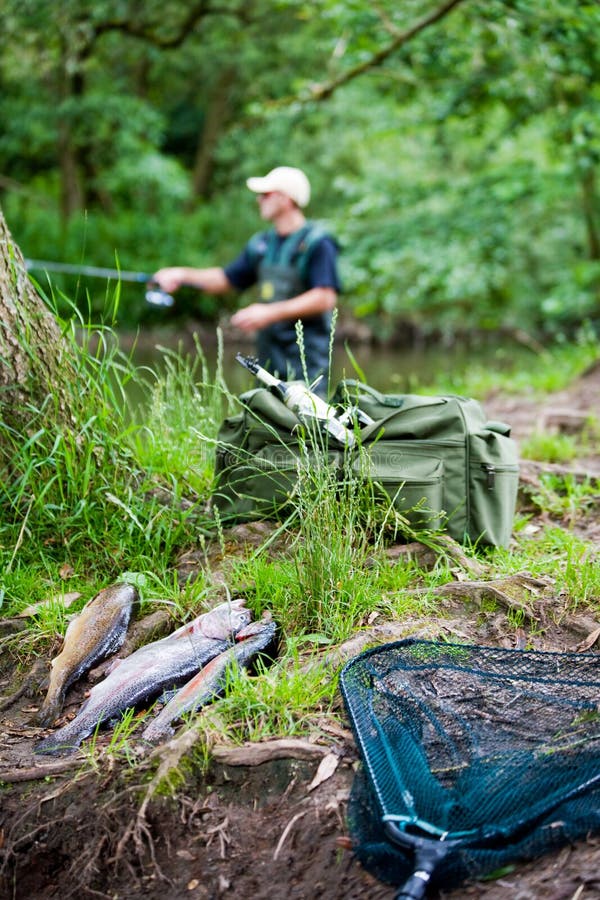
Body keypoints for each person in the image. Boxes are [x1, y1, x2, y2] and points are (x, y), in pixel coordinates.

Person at [153, 166, 341, 394]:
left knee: (306, 426)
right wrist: (181, 275)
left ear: (285, 199)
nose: (259, 200)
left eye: (266, 194)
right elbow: (225, 279)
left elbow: (325, 297)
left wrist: (268, 312)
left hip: (307, 362)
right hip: (269, 360)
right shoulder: (261, 244)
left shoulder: (318, 242)